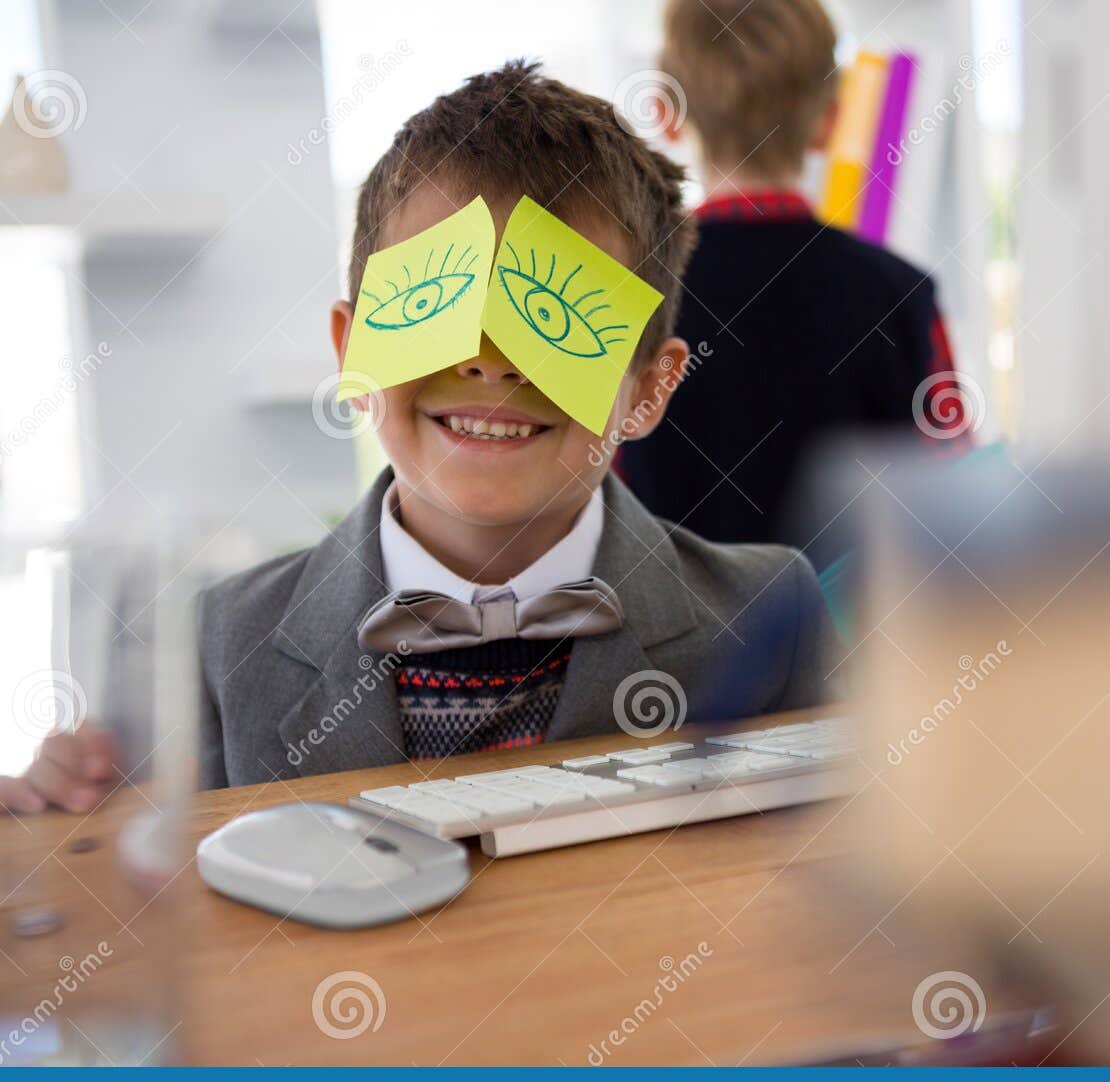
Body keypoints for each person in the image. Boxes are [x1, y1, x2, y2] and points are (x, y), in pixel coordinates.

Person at [2, 59, 834, 810]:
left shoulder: (770, 619)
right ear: (353, 349)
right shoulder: (217, 644)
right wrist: (63, 819)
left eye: (553, 318)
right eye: (441, 305)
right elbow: (149, 917)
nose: (490, 364)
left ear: (651, 387)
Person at [620, 0, 971, 564]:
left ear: (665, 115)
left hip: (674, 646)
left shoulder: (628, 298)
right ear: (831, 122)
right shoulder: (902, 295)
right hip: (859, 643)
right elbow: (950, 501)